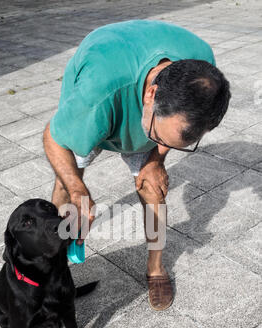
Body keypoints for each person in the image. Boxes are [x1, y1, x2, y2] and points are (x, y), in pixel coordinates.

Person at [43, 19, 231, 311]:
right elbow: (53, 139)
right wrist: (78, 188)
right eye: (157, 136)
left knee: (153, 188)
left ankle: (155, 269)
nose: (157, 142)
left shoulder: (205, 73)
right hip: (107, 93)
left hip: (141, 103)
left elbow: (171, 131)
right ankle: (51, 264)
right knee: (66, 186)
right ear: (151, 95)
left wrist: (156, 157)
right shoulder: (99, 91)